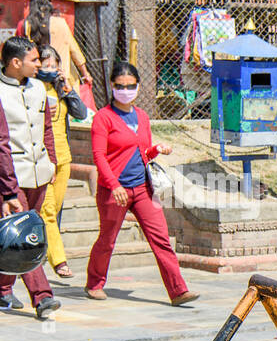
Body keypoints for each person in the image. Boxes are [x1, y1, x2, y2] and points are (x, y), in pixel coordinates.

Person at [87, 62, 198, 306]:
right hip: (114, 190)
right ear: (112, 87)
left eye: (130, 86)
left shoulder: (142, 117)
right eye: (120, 86)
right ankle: (95, 282)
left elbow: (142, 153)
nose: (125, 90)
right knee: (108, 239)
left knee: (161, 238)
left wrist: (156, 149)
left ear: (138, 86)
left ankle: (178, 290)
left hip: (142, 188)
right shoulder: (103, 118)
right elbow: (99, 156)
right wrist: (113, 185)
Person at [0, 36, 60, 319]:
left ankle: (2, 289)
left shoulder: (38, 88)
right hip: (12, 175)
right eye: (34, 60)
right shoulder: (1, 91)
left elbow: (47, 127)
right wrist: (8, 188)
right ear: (15, 63)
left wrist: (53, 162)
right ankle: (43, 297)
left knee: (14, 238)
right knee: (27, 237)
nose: (39, 64)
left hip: (39, 172)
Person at [37, 45, 87, 280]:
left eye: (53, 65)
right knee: (47, 211)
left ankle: (36, 253)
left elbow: (81, 113)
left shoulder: (60, 87)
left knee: (54, 211)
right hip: (42, 159)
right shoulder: (32, 88)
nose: (50, 69)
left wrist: (66, 86)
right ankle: (59, 260)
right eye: (45, 65)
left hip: (63, 157)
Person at [21, 0, 93, 97]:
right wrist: (85, 73)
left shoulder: (27, 25)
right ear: (49, 5)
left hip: (38, 76)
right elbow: (74, 50)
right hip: (62, 75)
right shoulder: (60, 23)